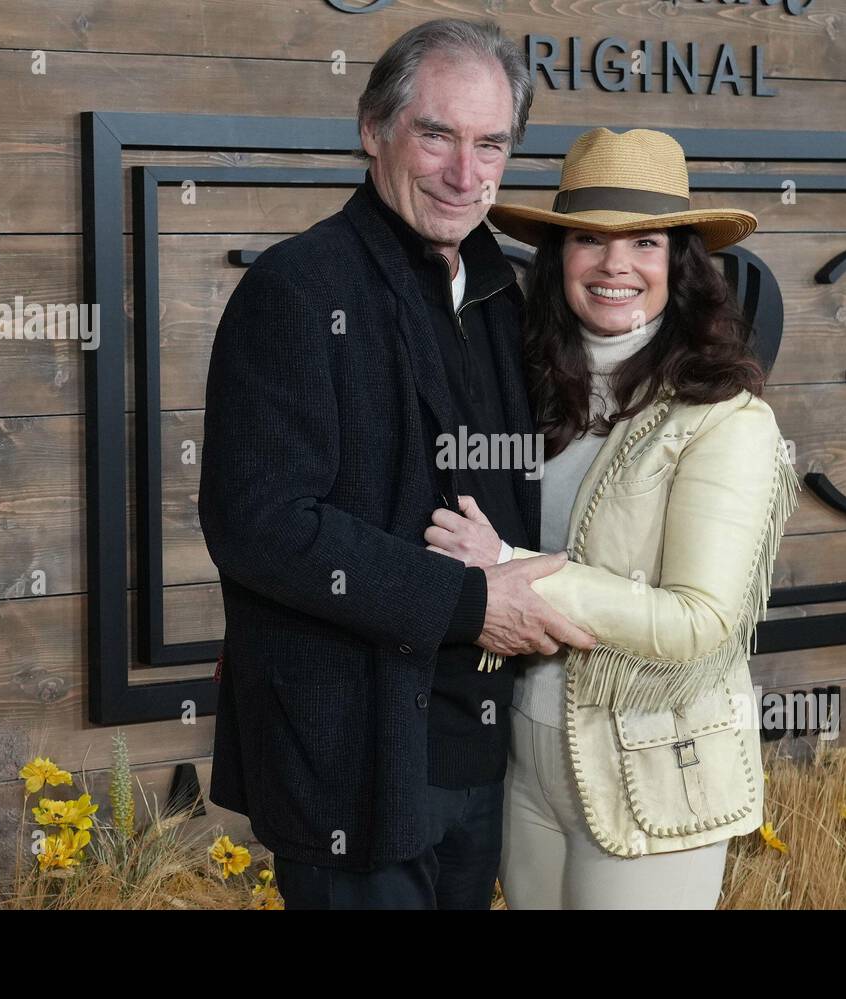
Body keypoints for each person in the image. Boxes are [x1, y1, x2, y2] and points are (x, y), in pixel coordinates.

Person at [197, 17, 592, 910]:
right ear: (374, 129)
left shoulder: (508, 293)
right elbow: (260, 525)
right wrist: (471, 599)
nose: (466, 172)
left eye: (491, 143)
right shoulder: (298, 289)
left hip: (476, 744)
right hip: (353, 754)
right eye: (438, 134)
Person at [426, 127, 802, 908]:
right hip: (524, 763)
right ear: (560, 257)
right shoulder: (526, 388)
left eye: (645, 243)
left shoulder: (725, 417)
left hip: (652, 770)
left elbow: (698, 618)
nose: (615, 265)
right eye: (590, 240)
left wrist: (508, 568)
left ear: (681, 263)